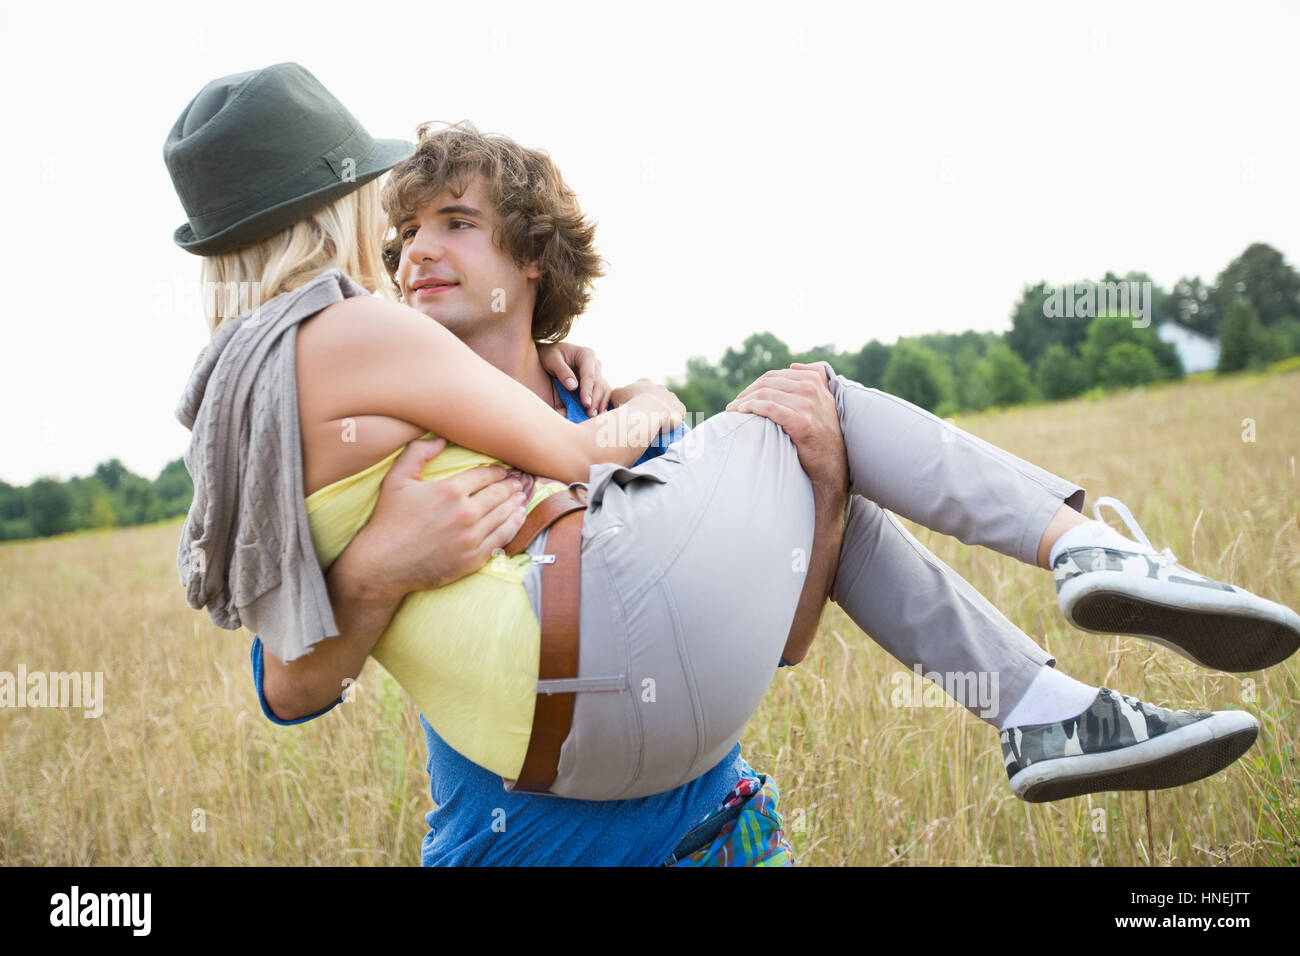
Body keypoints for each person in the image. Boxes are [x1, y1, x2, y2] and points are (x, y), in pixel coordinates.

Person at [168, 65, 1300, 858]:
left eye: (453, 223)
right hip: (527, 841)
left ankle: (1050, 693)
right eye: (403, 226)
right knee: (817, 396)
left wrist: (709, 428)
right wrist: (377, 568)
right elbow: (288, 683)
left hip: (707, 825)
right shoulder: (379, 410)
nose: (416, 250)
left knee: (826, 452)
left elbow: (784, 631)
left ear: (528, 257)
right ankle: (1078, 573)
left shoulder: (592, 398)